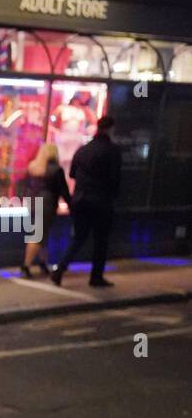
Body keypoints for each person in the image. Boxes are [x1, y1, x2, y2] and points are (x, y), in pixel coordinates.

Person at [52, 114, 121, 288]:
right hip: (101, 201)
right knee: (101, 240)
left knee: (79, 237)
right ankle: (96, 277)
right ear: (111, 129)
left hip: (81, 199)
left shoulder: (83, 149)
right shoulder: (112, 150)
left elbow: (72, 174)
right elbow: (115, 178)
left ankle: (60, 269)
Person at [21, 142, 70, 278]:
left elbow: (25, 186)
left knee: (41, 234)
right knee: (38, 236)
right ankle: (26, 265)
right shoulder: (56, 170)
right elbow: (63, 190)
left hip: (32, 203)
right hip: (47, 204)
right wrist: (71, 204)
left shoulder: (33, 167)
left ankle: (43, 263)